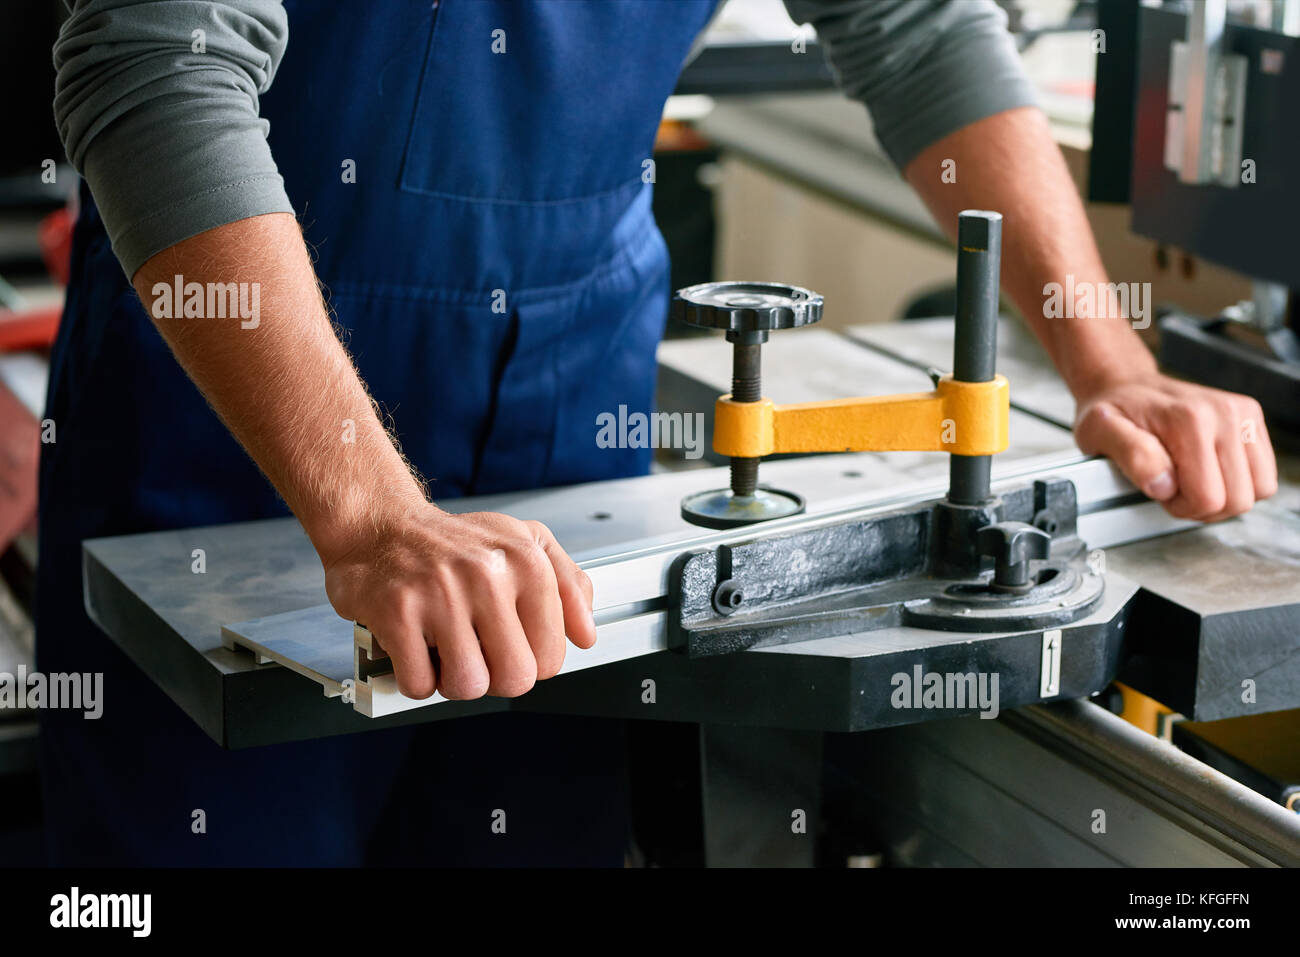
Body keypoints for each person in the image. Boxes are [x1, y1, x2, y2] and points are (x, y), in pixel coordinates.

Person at [43, 0, 1276, 865]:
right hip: (236, 403)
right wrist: (369, 512)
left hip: (569, 402)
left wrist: (1111, 362)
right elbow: (158, 68)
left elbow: (916, 29)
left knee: (527, 840)